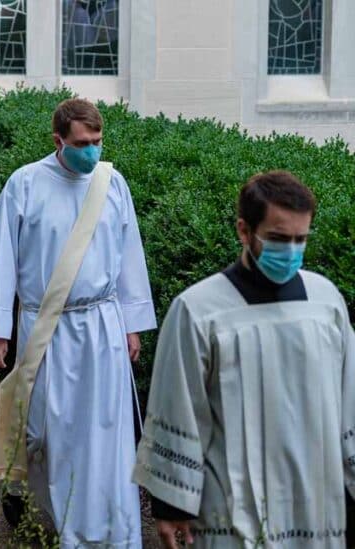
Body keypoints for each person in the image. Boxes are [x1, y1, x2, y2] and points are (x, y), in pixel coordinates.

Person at [134, 171, 355, 548]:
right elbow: (179, 406)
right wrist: (171, 505)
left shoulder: (325, 301)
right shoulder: (198, 310)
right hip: (231, 505)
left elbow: (350, 398)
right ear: (243, 230)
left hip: (316, 501)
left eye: (301, 240)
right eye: (278, 239)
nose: (291, 251)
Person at [0, 98, 156, 547]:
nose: (92, 152)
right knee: (50, 429)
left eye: (98, 142)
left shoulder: (111, 183)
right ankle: (27, 493)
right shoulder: (25, 184)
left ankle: (111, 529)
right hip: (47, 328)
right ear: (58, 140)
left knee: (108, 431)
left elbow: (128, 253)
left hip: (101, 323)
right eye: (82, 143)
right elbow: (4, 259)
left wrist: (131, 324)